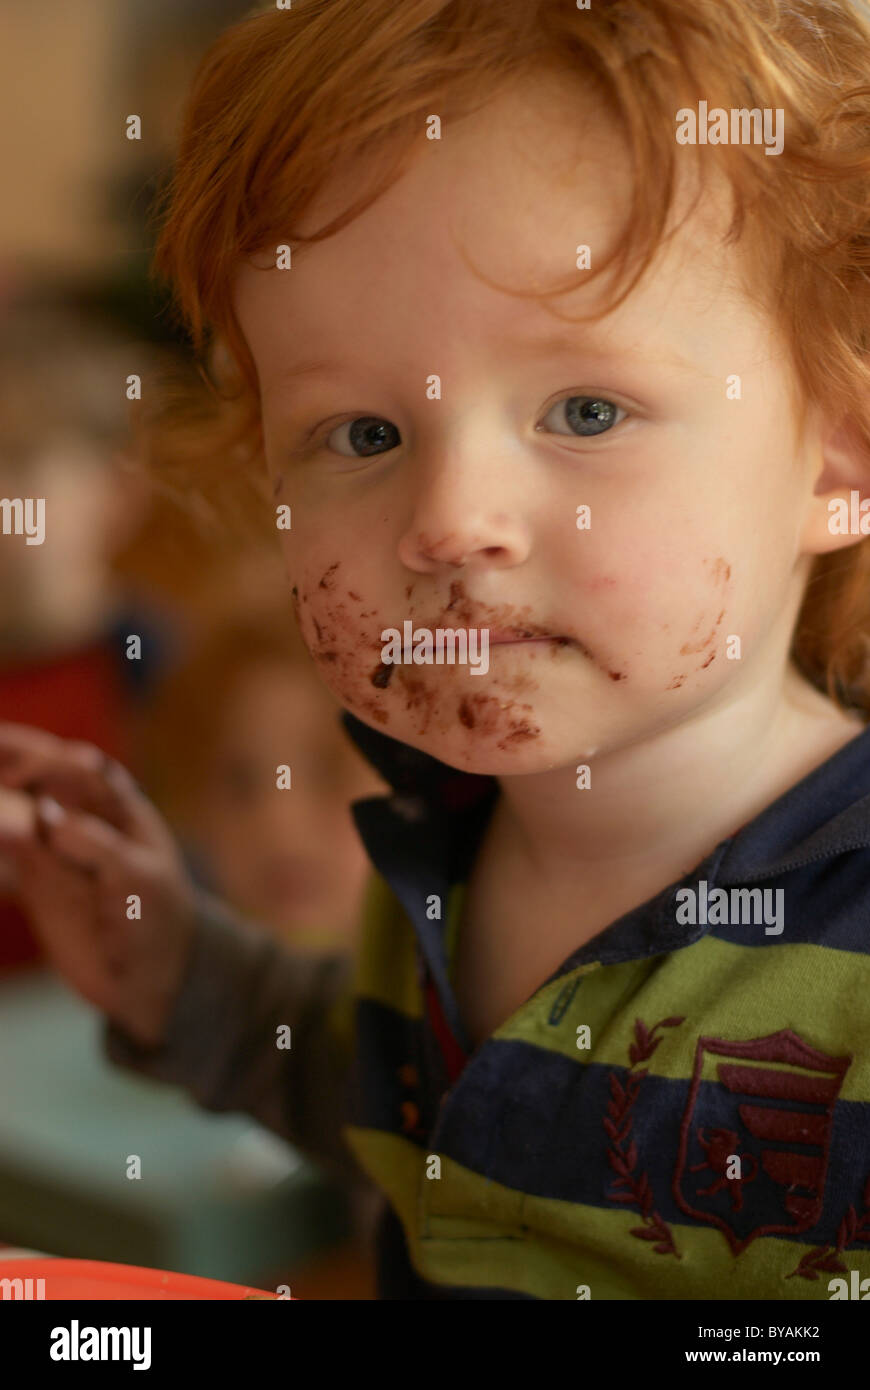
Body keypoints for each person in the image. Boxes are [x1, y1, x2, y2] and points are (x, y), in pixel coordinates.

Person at [2, 0, 870, 1299]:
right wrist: (177, 971)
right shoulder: (439, 824)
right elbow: (429, 1123)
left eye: (586, 410)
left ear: (840, 457)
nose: (449, 522)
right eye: (362, 434)